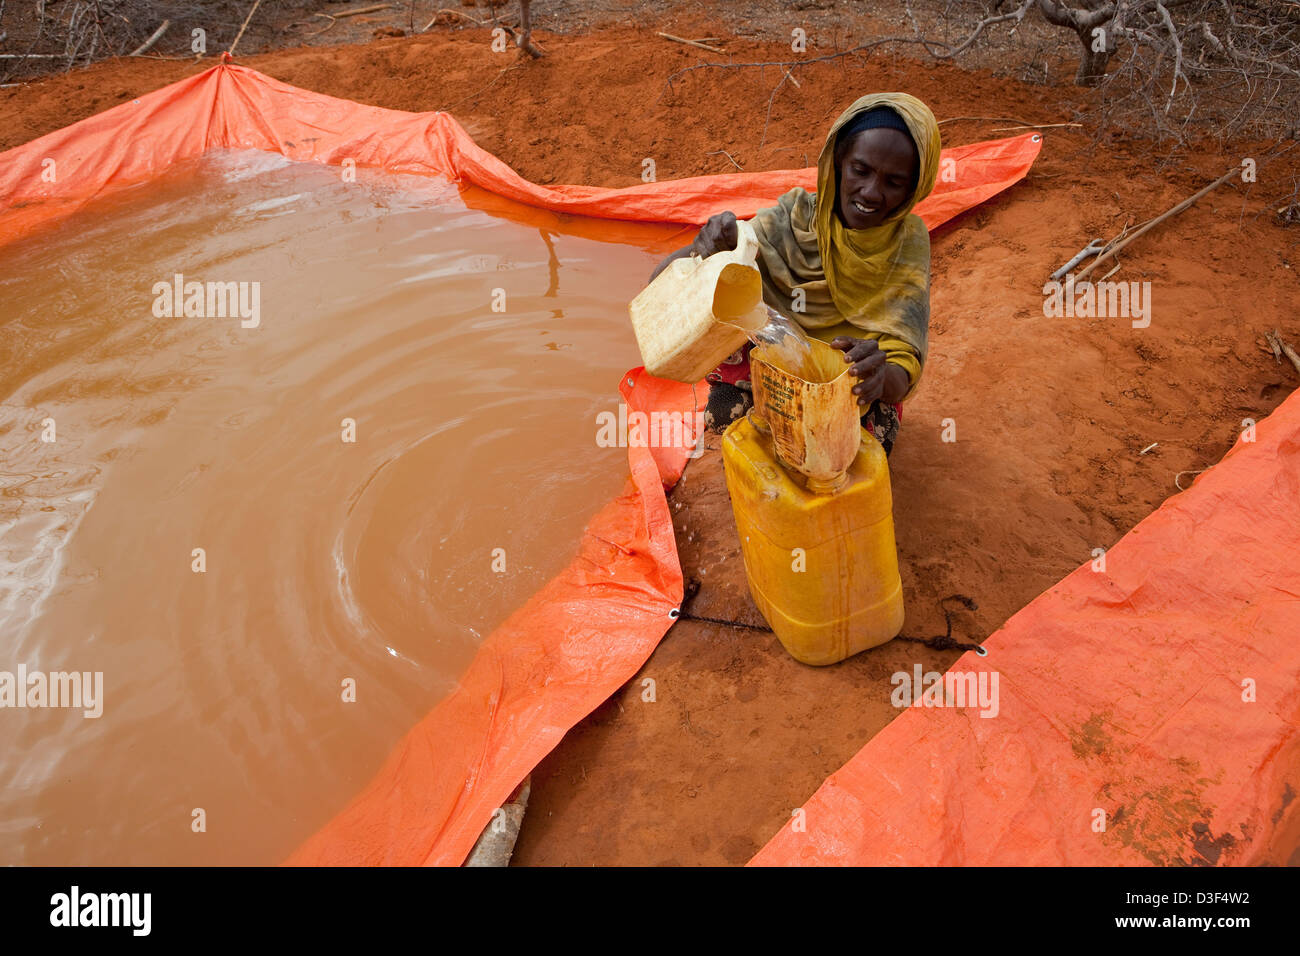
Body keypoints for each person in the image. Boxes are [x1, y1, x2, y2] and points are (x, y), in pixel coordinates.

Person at [648, 92, 941, 456]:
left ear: (914, 188)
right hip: (771, 375)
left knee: (860, 449)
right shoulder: (791, 221)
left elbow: (902, 363)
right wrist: (703, 250)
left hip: (850, 390)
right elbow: (657, 287)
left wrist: (878, 376)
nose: (871, 192)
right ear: (837, 162)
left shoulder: (906, 245)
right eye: (860, 170)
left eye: (894, 183)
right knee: (729, 419)